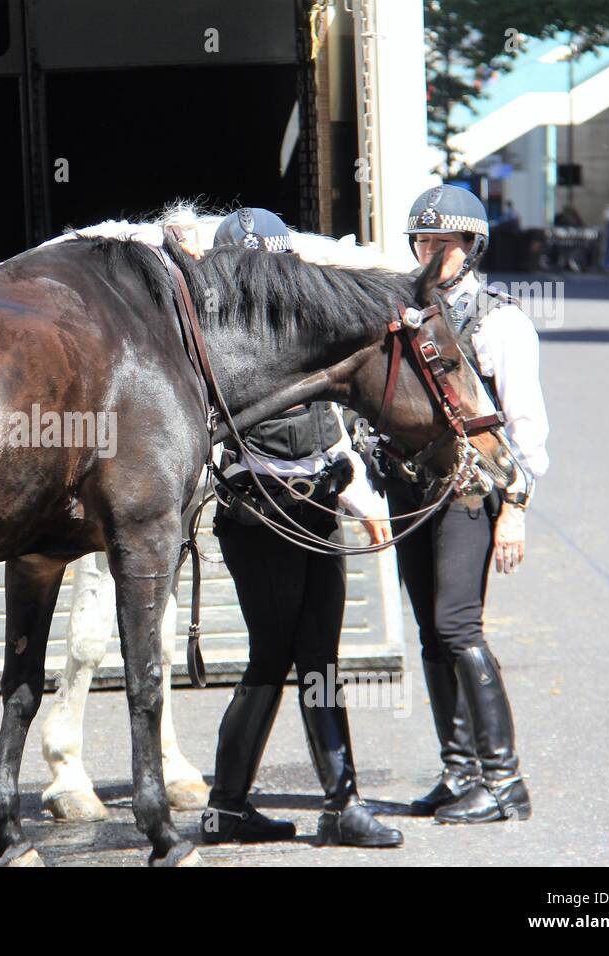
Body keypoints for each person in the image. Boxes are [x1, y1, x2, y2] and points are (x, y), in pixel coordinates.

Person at [193, 208, 403, 848]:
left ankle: (343, 805)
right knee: (275, 652)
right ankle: (225, 805)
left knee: (321, 656)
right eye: (263, 266)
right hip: (260, 507)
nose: (274, 277)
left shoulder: (301, 324)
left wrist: (361, 493)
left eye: (281, 264)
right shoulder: (217, 338)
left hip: (320, 502)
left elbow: (335, 416)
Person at [380, 184, 549, 824]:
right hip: (409, 492)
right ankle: (458, 772)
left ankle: (504, 782)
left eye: (443, 243)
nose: (430, 253)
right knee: (430, 636)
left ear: (471, 247)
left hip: (469, 494)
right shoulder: (401, 311)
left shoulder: (501, 321)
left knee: (457, 627)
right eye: (422, 241)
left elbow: (526, 428)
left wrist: (517, 510)